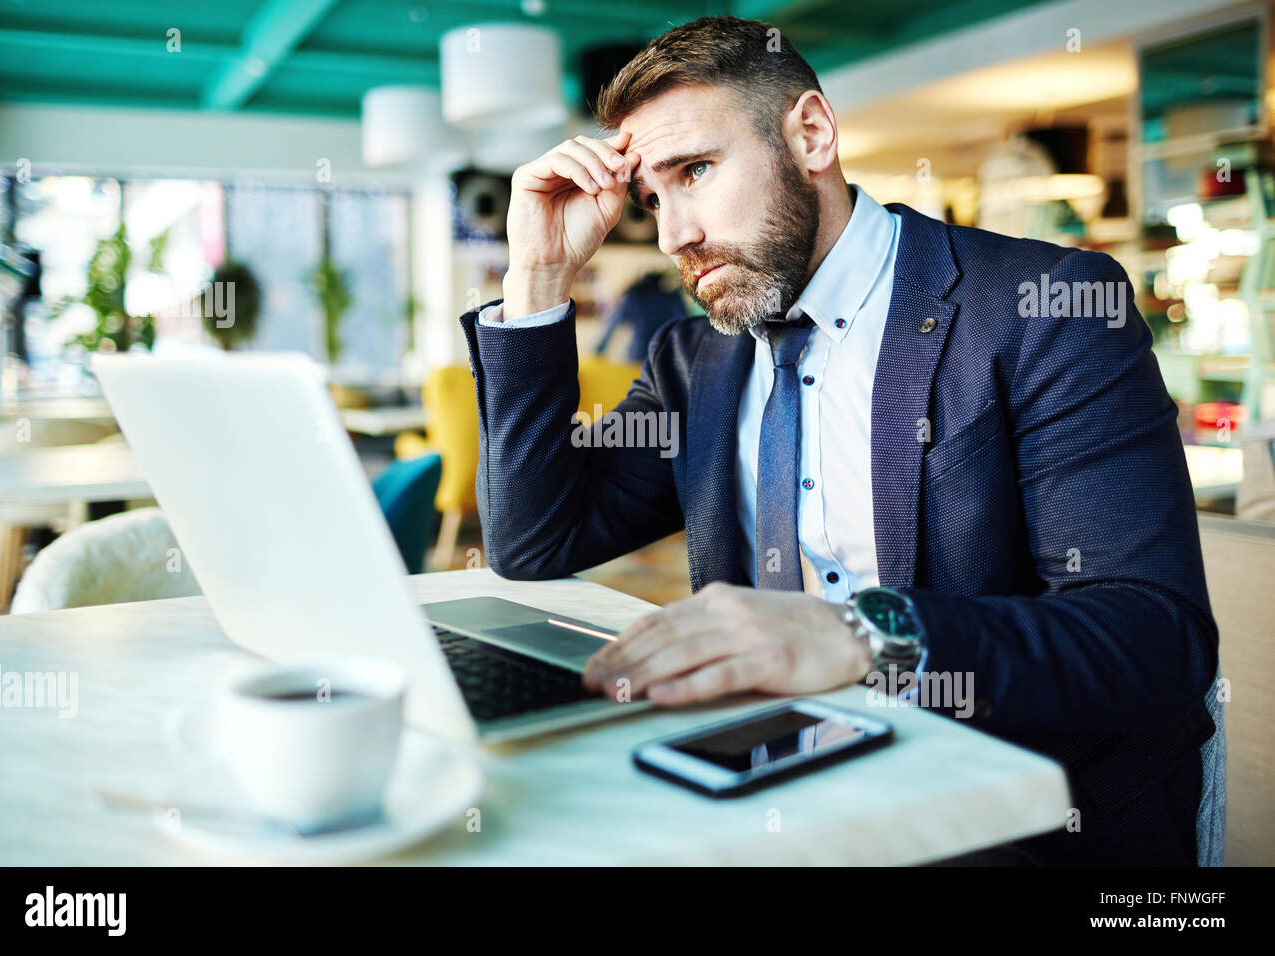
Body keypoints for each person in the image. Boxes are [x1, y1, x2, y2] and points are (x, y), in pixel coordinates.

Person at [458, 16, 1218, 866]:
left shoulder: (1046, 306)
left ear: (811, 133)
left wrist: (863, 638)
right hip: (769, 796)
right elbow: (534, 542)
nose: (673, 234)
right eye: (652, 198)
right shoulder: (695, 358)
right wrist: (536, 279)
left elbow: (1155, 638)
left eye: (696, 171)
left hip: (1013, 819)